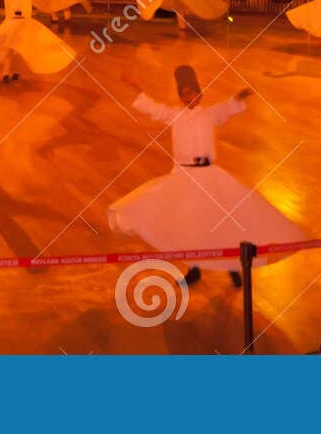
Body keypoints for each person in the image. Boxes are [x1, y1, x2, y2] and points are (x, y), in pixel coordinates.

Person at [109, 66, 304, 286]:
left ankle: (231, 265)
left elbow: (226, 109)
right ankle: (194, 268)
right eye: (184, 94)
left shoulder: (209, 114)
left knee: (220, 223)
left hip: (210, 177)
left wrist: (239, 97)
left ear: (199, 94)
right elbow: (154, 109)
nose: (188, 97)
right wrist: (136, 88)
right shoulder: (175, 116)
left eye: (192, 93)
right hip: (185, 178)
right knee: (190, 225)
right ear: (180, 97)